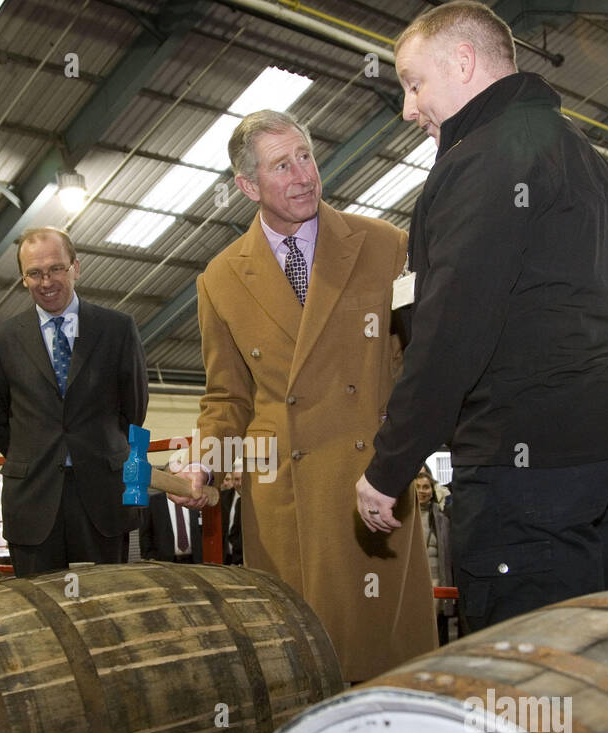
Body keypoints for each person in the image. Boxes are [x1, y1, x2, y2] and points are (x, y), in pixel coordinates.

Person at [352, 2, 608, 631]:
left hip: (529, 465)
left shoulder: (486, 157)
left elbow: (452, 331)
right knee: (598, 659)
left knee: (524, 673)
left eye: (414, 83)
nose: (409, 108)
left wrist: (389, 466)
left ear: (462, 62)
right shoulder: (585, 155)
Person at [171, 109, 435, 681]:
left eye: (306, 156)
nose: (303, 175)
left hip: (372, 488)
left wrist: (405, 457)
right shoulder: (218, 279)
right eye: (281, 165)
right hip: (283, 502)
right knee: (304, 670)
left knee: (384, 671)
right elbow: (227, 397)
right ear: (247, 186)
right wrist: (207, 466)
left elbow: (416, 363)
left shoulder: (385, 246)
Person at [0, 226, 148, 576]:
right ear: (24, 279)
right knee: (38, 613)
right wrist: (37, 453)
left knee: (107, 608)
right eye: (34, 273)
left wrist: (97, 450)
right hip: (33, 499)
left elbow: (134, 411)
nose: (46, 281)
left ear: (76, 267)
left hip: (103, 497)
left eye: (56, 268)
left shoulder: (117, 329)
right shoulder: (1, 339)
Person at [415, 467, 457, 643]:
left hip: (437, 580)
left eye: (426, 487)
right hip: (415, 580)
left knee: (439, 627)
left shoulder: (441, 517)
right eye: (418, 487)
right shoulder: (406, 519)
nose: (422, 491)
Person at [140, 477, 203, 563]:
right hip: (164, 562)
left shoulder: (195, 499)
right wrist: (150, 557)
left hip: (195, 561)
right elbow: (145, 533)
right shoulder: (153, 502)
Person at [219, 470, 244, 565]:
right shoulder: (223, 498)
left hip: (247, 559)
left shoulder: (256, 500)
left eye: (243, 479)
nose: (240, 483)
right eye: (237, 479)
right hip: (226, 559)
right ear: (232, 481)